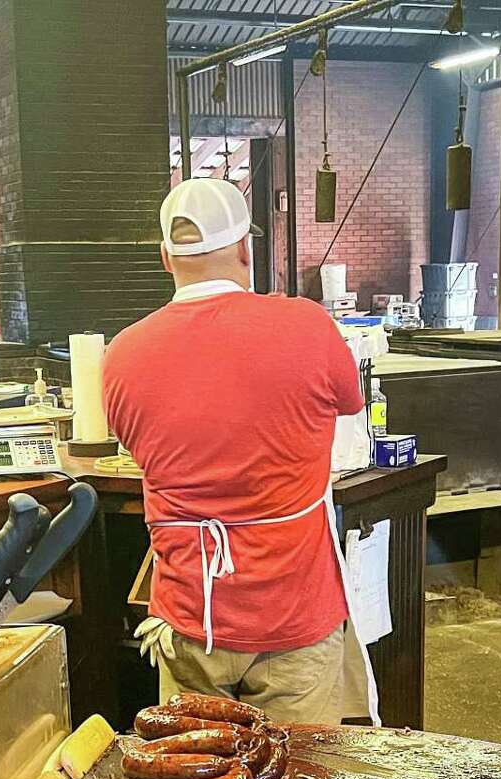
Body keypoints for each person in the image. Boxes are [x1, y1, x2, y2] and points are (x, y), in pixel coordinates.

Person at [103, 177, 371, 725]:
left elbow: (142, 449)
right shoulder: (308, 327)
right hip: (295, 616)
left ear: (165, 259)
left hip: (190, 618)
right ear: (247, 248)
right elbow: (350, 403)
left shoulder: (121, 356)